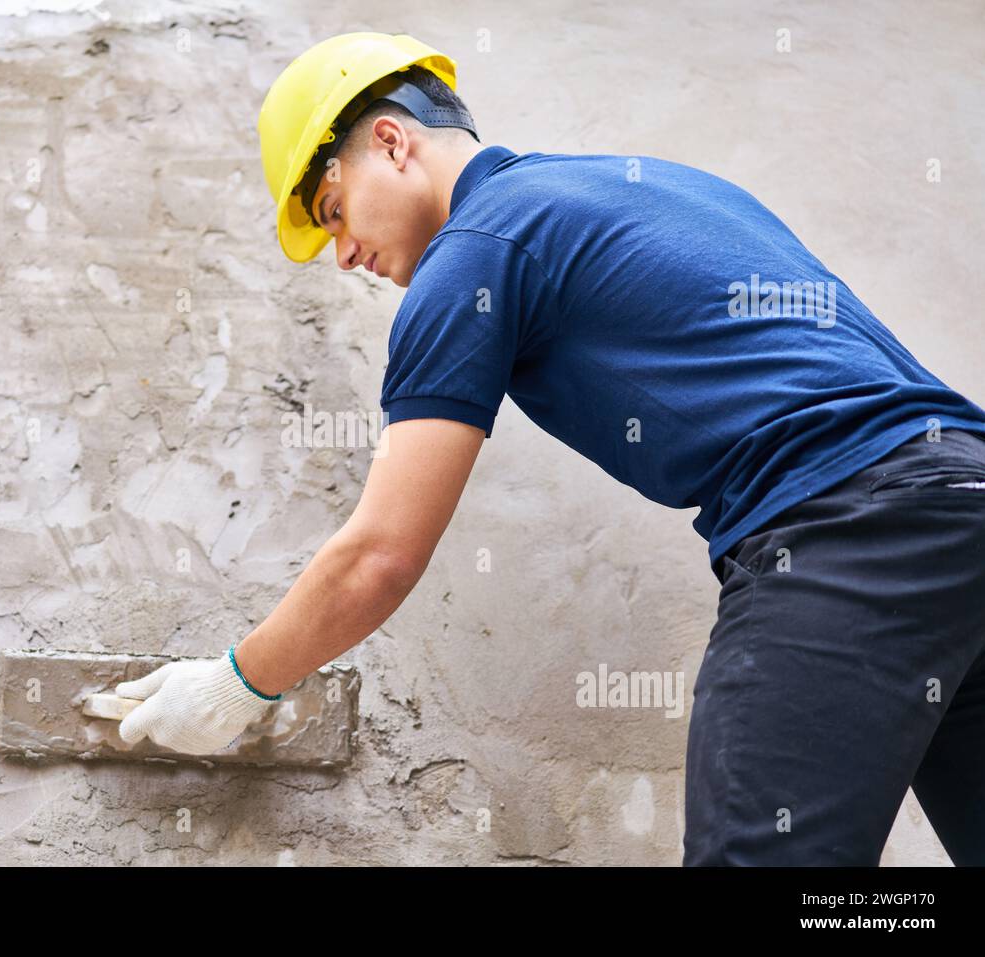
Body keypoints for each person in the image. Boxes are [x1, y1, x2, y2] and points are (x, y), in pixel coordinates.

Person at [114, 31, 985, 865]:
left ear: (390, 142)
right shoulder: (651, 186)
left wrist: (238, 682)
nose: (342, 254)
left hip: (848, 530)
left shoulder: (474, 254)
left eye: (334, 210)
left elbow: (380, 553)